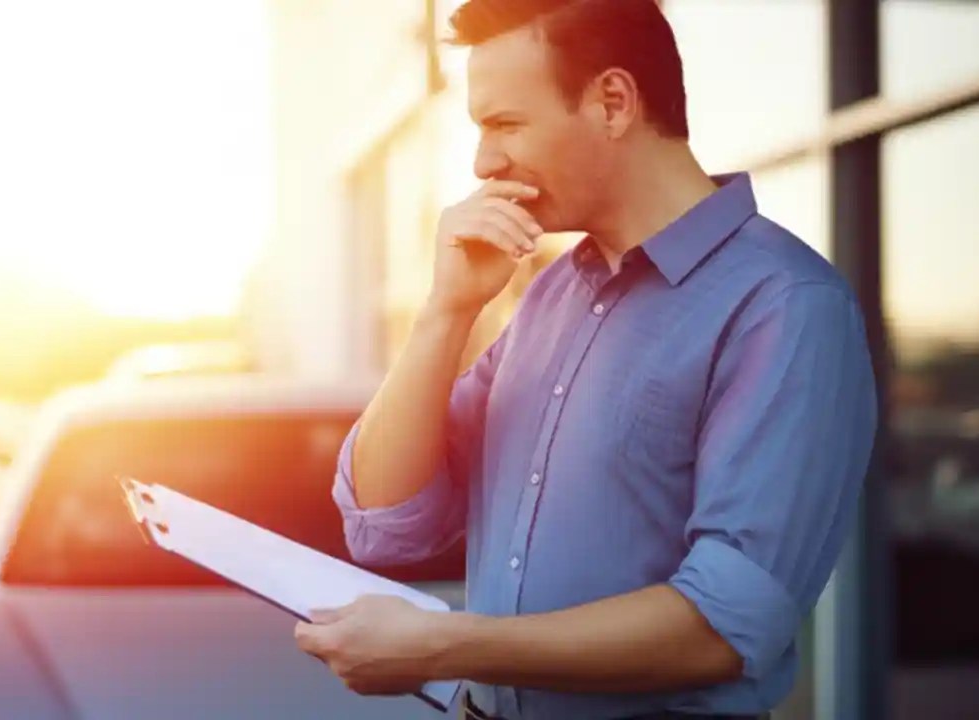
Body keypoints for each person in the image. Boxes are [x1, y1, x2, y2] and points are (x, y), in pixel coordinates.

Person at [293, 1, 878, 718]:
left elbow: (723, 626)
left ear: (613, 102)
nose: (483, 163)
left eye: (504, 123)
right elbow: (386, 521)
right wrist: (445, 313)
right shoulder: (550, 296)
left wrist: (447, 646)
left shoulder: (786, 306)